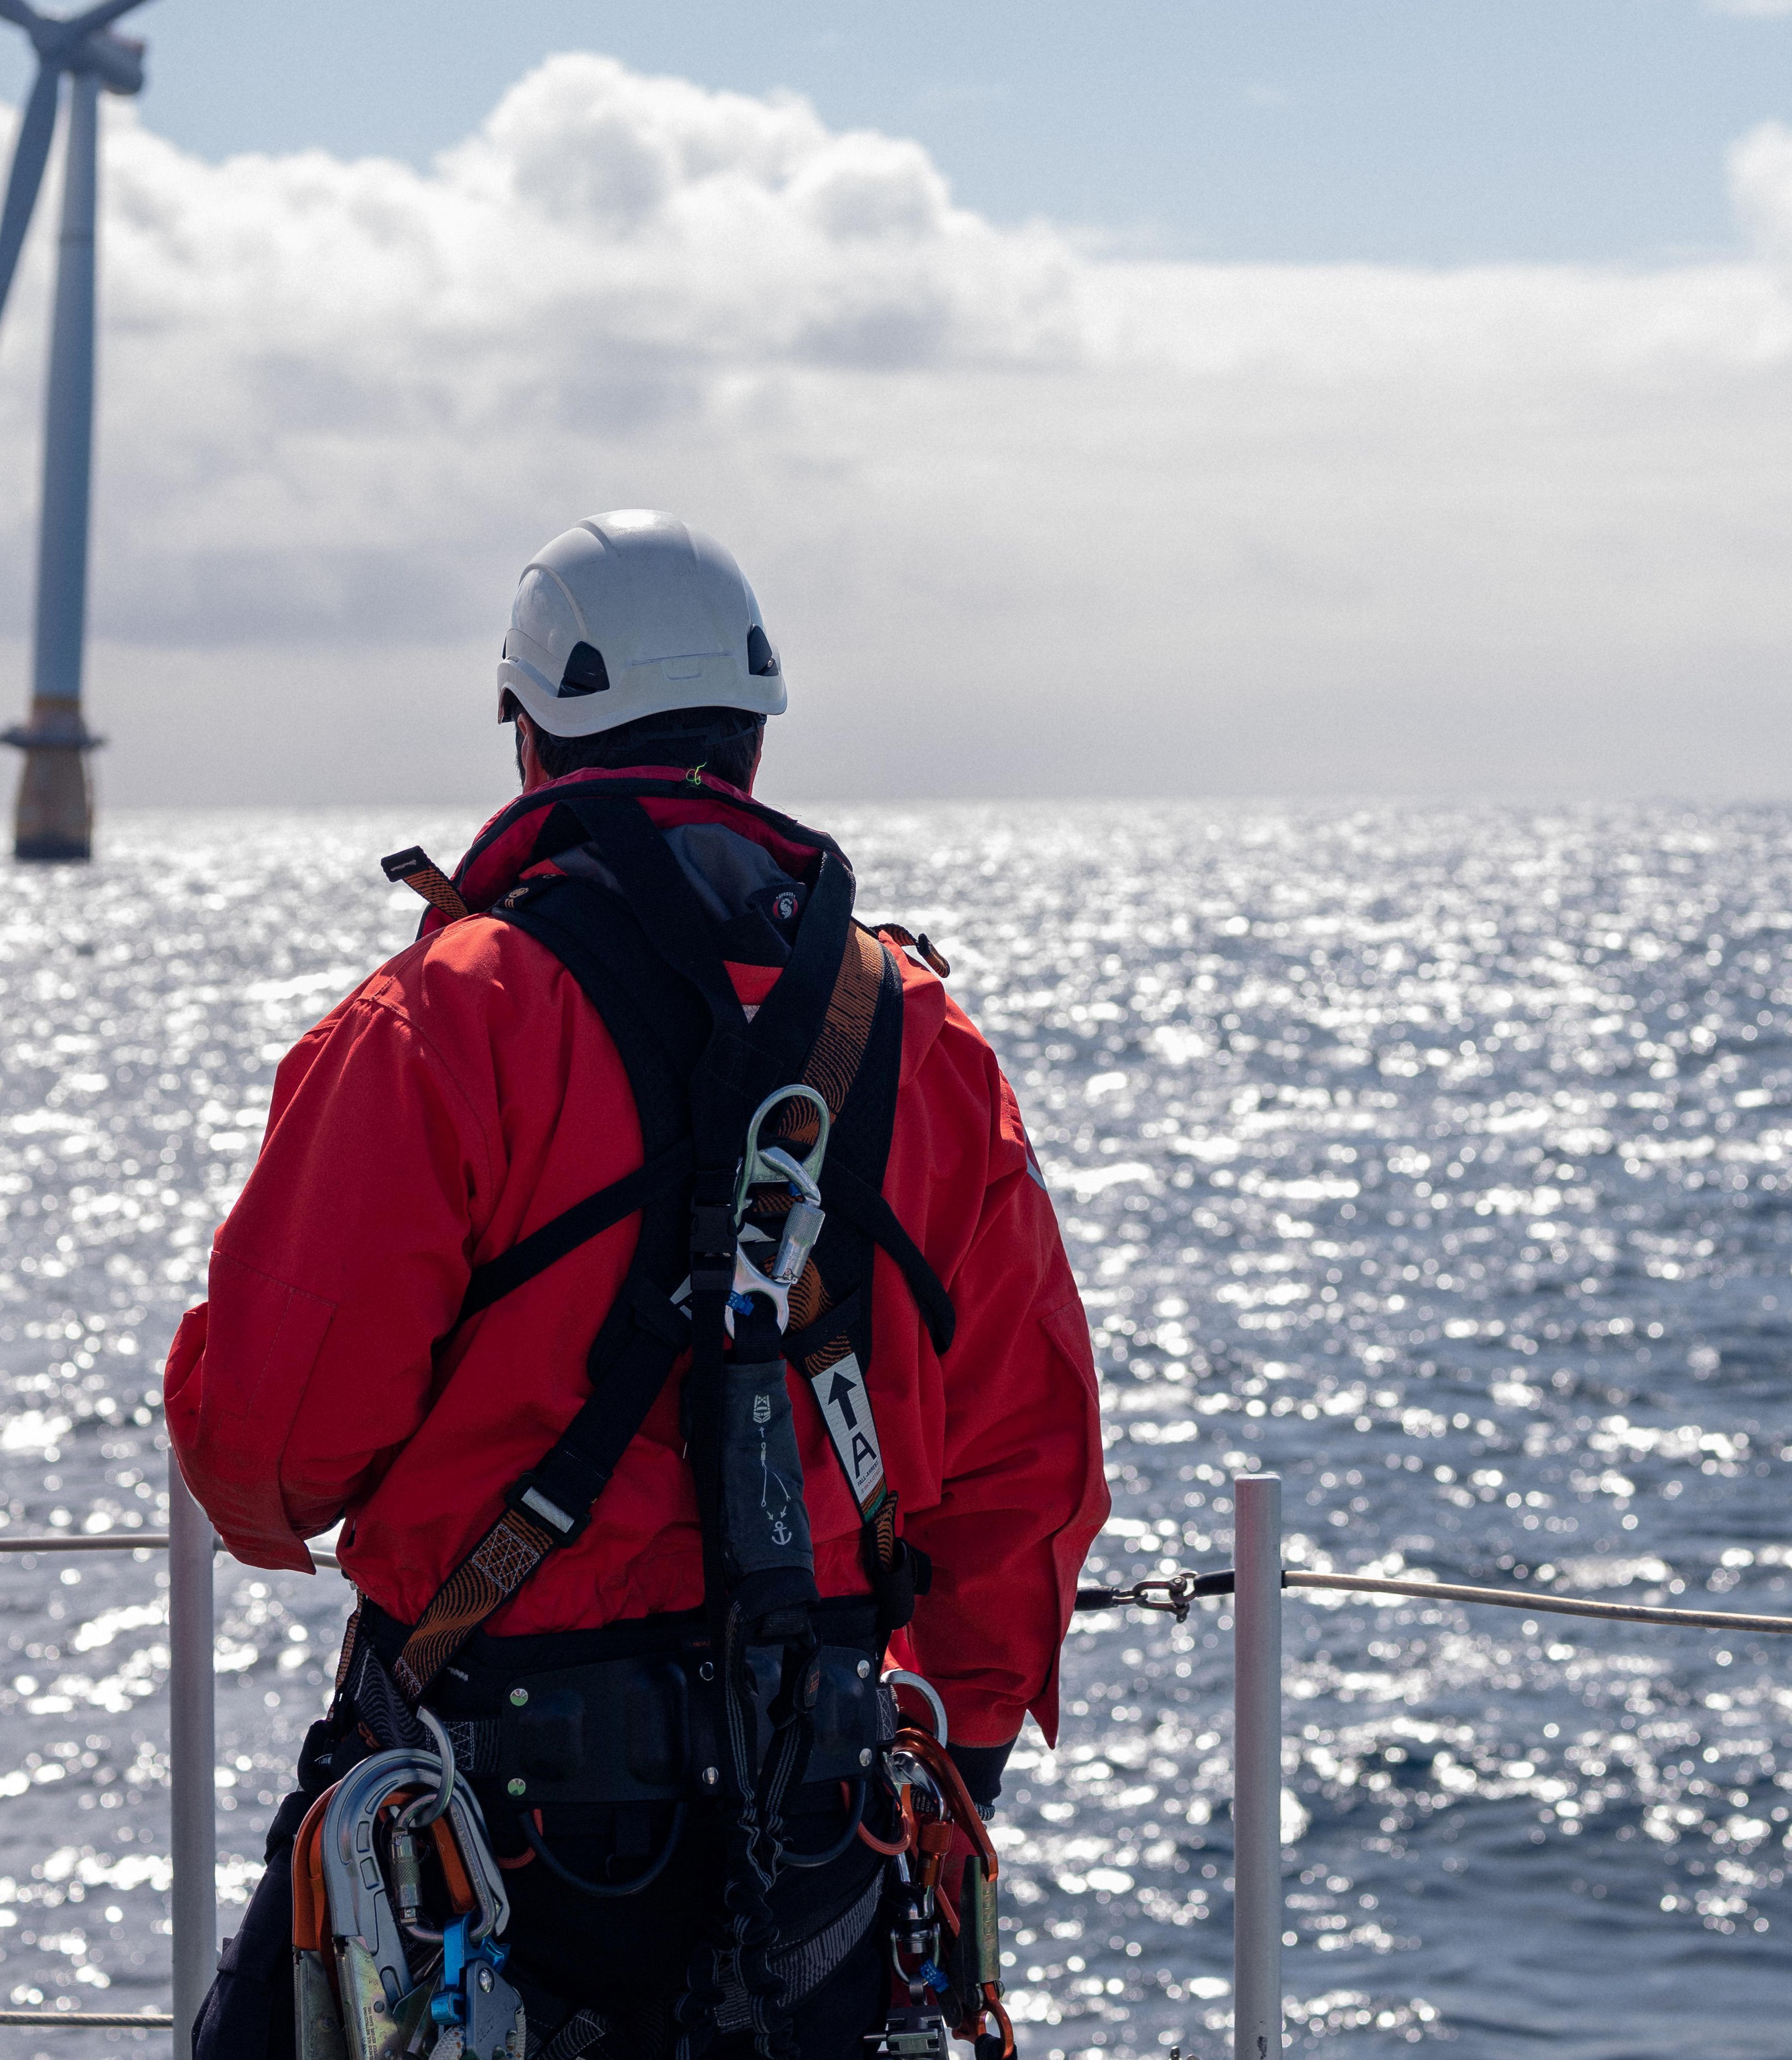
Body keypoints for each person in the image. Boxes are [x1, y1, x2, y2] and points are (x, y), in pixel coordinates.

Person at [169, 512, 1109, 2060]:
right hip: (823, 1843)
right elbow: (1030, 1459)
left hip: (494, 1841)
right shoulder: (925, 1043)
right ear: (748, 744)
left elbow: (269, 1455)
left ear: (531, 740)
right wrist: (971, 1744)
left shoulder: (441, 1025)